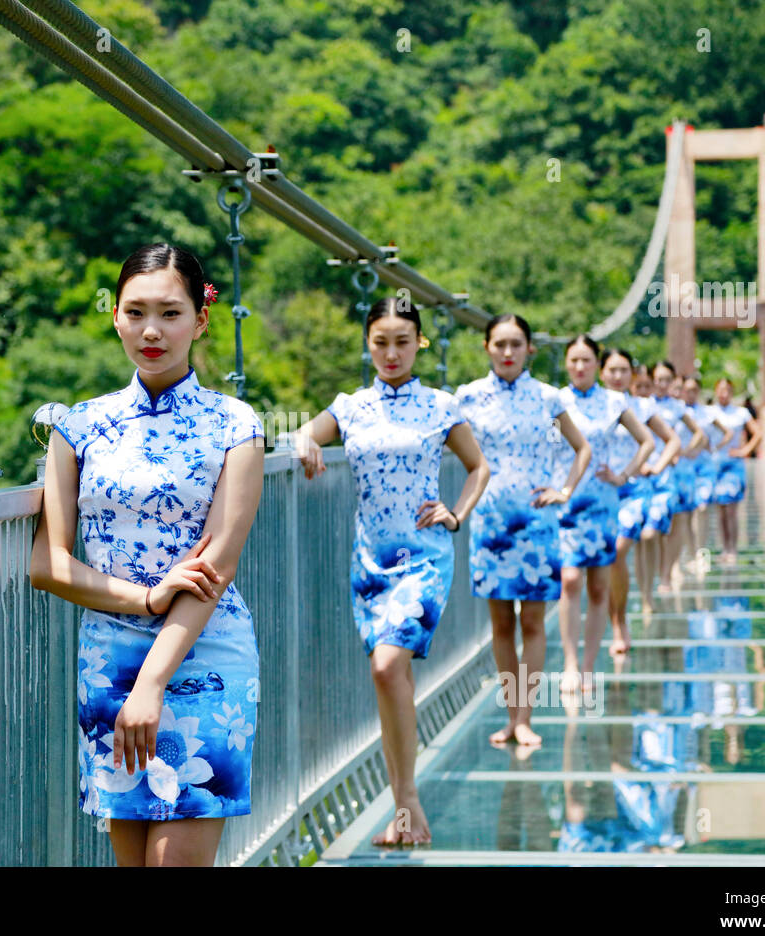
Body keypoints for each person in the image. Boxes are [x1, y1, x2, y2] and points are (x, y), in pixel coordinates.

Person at [29, 243, 265, 867]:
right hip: (110, 660)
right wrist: (145, 599)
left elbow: (218, 565)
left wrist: (154, 682)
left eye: (170, 312)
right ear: (115, 317)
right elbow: (47, 563)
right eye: (135, 312)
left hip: (204, 653)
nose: (151, 331)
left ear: (201, 319)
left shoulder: (235, 425)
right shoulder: (76, 426)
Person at [294, 297, 491, 846]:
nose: (391, 352)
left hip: (425, 557)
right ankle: (407, 809)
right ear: (368, 343)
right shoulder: (351, 406)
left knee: (386, 668)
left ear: (420, 344)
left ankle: (405, 801)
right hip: (369, 563)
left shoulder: (440, 406)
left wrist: (457, 513)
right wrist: (304, 440)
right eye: (380, 341)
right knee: (391, 676)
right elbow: (304, 433)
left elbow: (479, 467)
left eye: (403, 341)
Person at [456, 313, 591, 748]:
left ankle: (524, 718)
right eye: (500, 344)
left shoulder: (548, 397)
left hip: (537, 524)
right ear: (487, 347)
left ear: (530, 348)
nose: (508, 353)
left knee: (532, 623)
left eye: (516, 344)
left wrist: (565, 490)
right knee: (501, 627)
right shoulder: (467, 398)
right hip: (491, 522)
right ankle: (510, 716)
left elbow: (582, 447)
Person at [554, 336, 654, 692]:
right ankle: (569, 662)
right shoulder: (555, 400)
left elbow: (648, 441)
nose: (580, 367)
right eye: (574, 360)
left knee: (598, 586)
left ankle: (589, 666)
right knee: (569, 580)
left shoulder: (614, 401)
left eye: (586, 360)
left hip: (602, 501)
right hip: (565, 501)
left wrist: (624, 475)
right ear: (566, 363)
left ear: (597, 363)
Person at [600, 351, 675, 654]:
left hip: (633, 490)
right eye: (611, 370)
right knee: (604, 560)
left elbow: (669, 440)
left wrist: (654, 467)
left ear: (631, 374)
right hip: (597, 492)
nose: (617, 376)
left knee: (618, 551)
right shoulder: (589, 406)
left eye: (623, 370)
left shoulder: (642, 407)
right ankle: (615, 616)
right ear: (601, 372)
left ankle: (621, 622)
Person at [650, 361, 707, 591]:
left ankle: (668, 570)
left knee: (677, 523)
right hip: (651, 471)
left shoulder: (677, 407)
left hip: (676, 472)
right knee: (656, 527)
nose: (662, 384)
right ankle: (660, 570)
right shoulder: (643, 405)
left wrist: (686, 451)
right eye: (658, 379)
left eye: (666, 379)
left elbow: (699, 434)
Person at [680, 376, 734, 575]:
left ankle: (701, 552)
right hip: (684, 467)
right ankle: (690, 552)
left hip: (704, 466)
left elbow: (727, 432)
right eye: (687, 390)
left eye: (694, 389)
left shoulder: (707, 412)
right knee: (685, 512)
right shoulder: (678, 411)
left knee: (702, 508)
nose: (690, 393)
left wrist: (715, 447)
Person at [710, 378, 762, 564]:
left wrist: (744, 451)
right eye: (721, 390)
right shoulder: (710, 412)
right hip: (715, 466)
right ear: (716, 391)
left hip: (733, 465)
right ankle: (724, 547)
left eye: (727, 390)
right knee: (721, 510)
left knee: (731, 508)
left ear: (731, 392)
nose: (724, 394)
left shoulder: (740, 413)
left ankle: (733, 548)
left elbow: (758, 432)